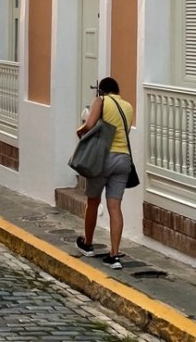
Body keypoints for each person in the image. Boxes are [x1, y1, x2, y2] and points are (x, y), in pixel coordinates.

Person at [75, 76, 135, 270]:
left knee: (93, 201)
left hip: (103, 159)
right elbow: (124, 131)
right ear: (117, 90)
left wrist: (80, 131)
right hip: (123, 159)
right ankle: (114, 255)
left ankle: (88, 244)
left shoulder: (101, 101)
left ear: (101, 91)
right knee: (115, 207)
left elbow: (90, 125)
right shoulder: (128, 106)